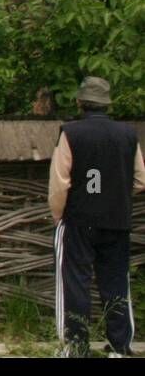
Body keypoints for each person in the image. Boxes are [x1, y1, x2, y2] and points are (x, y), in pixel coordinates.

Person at [49, 76, 145, 357]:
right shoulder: (128, 134)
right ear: (107, 104)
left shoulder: (71, 132)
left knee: (75, 281)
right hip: (117, 219)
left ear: (80, 102)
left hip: (78, 219)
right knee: (116, 280)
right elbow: (140, 180)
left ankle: (76, 346)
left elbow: (60, 181)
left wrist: (58, 215)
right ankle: (120, 345)